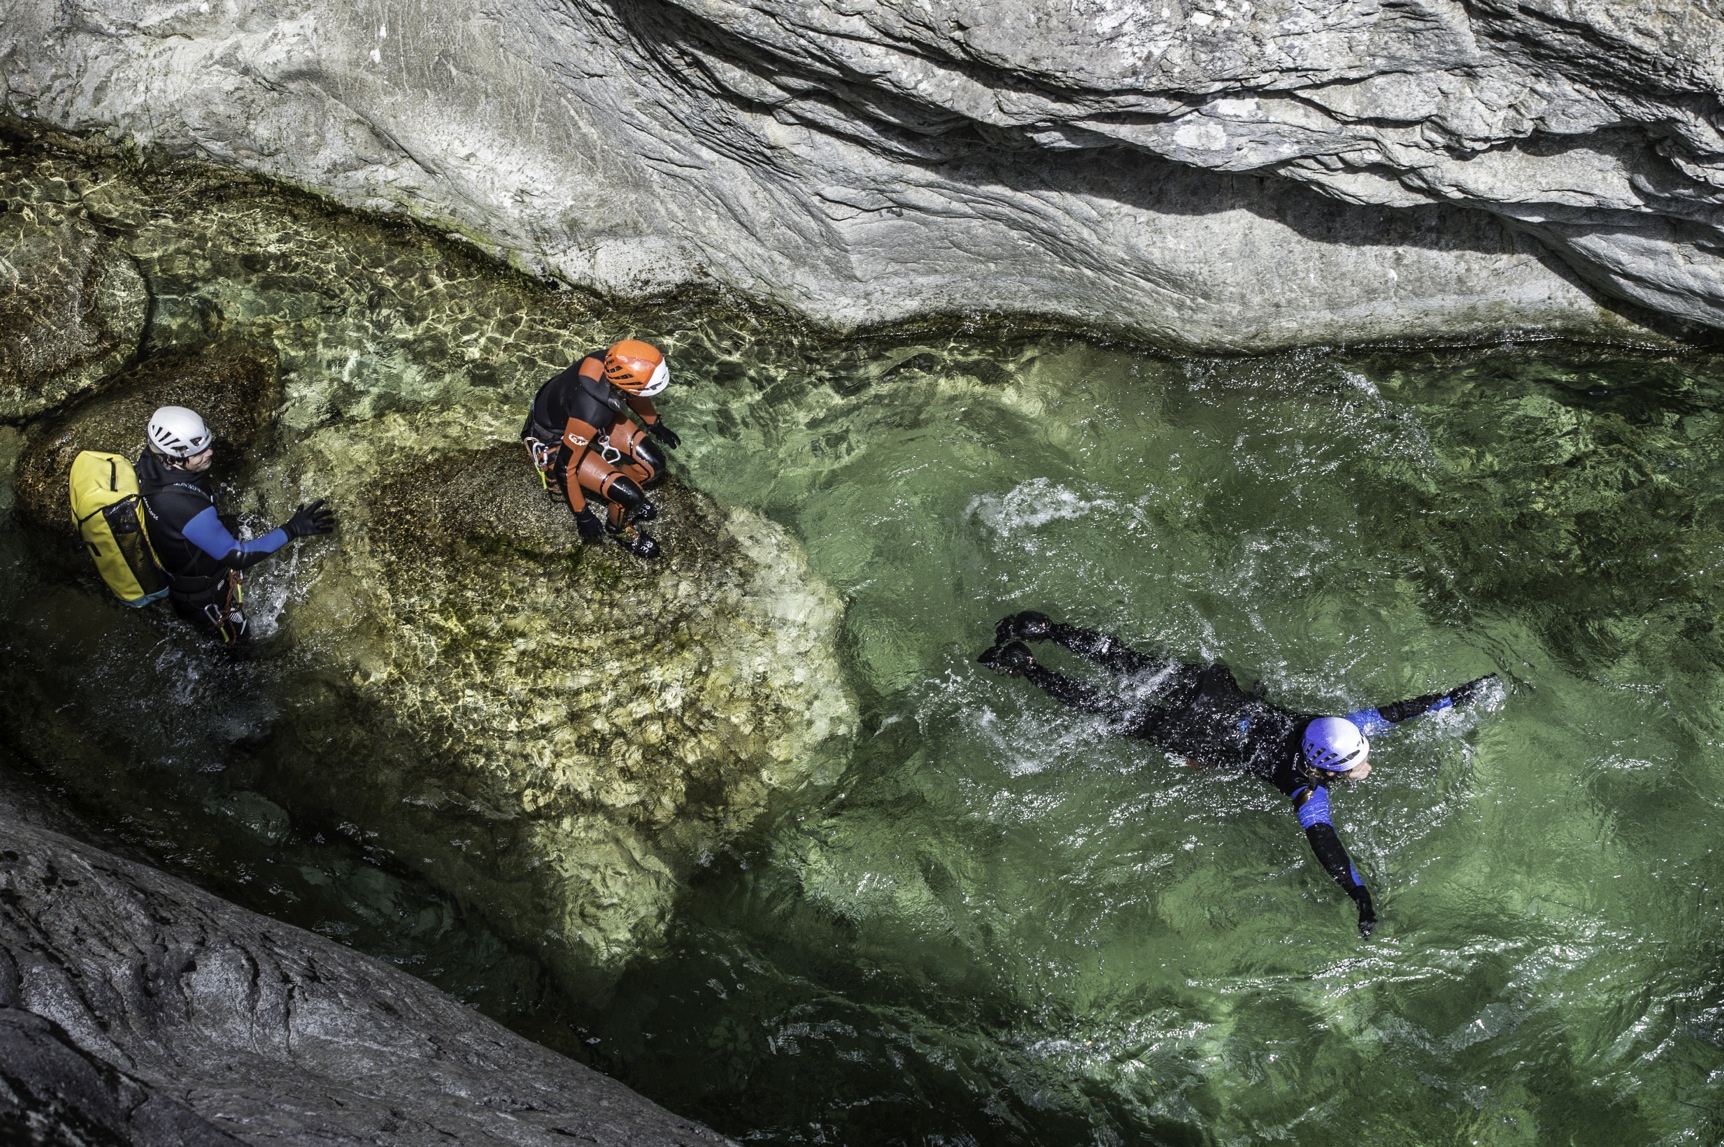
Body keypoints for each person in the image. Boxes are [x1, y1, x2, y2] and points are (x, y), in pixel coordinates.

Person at [978, 612, 1498, 937]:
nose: (1362, 769)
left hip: (1207, 694)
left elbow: (1402, 710)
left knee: (1132, 664)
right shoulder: (1303, 787)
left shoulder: (1330, 727)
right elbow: (1329, 848)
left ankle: (1043, 630)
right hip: (1187, 730)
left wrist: (1461, 694)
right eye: (1351, 767)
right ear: (1319, 766)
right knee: (1106, 708)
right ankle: (1028, 668)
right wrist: (1360, 898)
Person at [136, 405, 336, 643]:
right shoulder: (184, 508)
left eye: (207, 446)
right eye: (198, 453)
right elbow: (238, 557)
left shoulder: (151, 462)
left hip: (182, 561)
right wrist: (293, 529)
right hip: (205, 600)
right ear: (175, 456)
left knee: (246, 520)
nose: (209, 453)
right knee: (238, 649)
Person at [522, 339, 683, 559]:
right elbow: (564, 468)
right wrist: (583, 515)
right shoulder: (591, 412)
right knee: (631, 496)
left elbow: (633, 392)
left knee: (653, 465)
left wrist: (655, 424)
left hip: (578, 413)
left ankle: (622, 501)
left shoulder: (612, 361)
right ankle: (619, 529)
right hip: (554, 440)